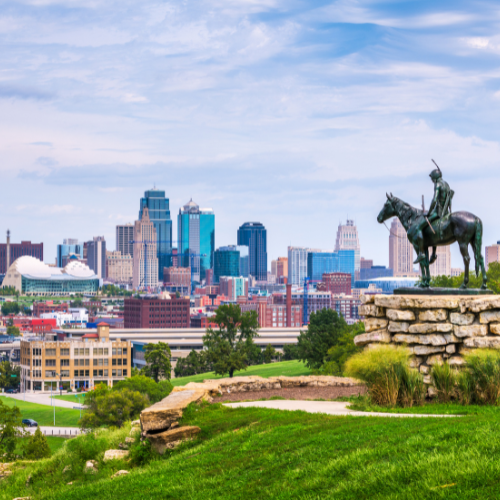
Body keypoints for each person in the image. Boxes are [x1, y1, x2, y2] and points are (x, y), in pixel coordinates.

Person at [413, 166, 454, 265]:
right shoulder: (446, 184)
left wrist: (429, 212)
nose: (431, 180)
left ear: (435, 177)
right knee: (432, 229)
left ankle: (422, 253)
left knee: (418, 227)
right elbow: (449, 200)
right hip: (446, 212)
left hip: (438, 212)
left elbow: (435, 199)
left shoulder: (438, 184)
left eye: (432, 178)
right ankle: (433, 254)